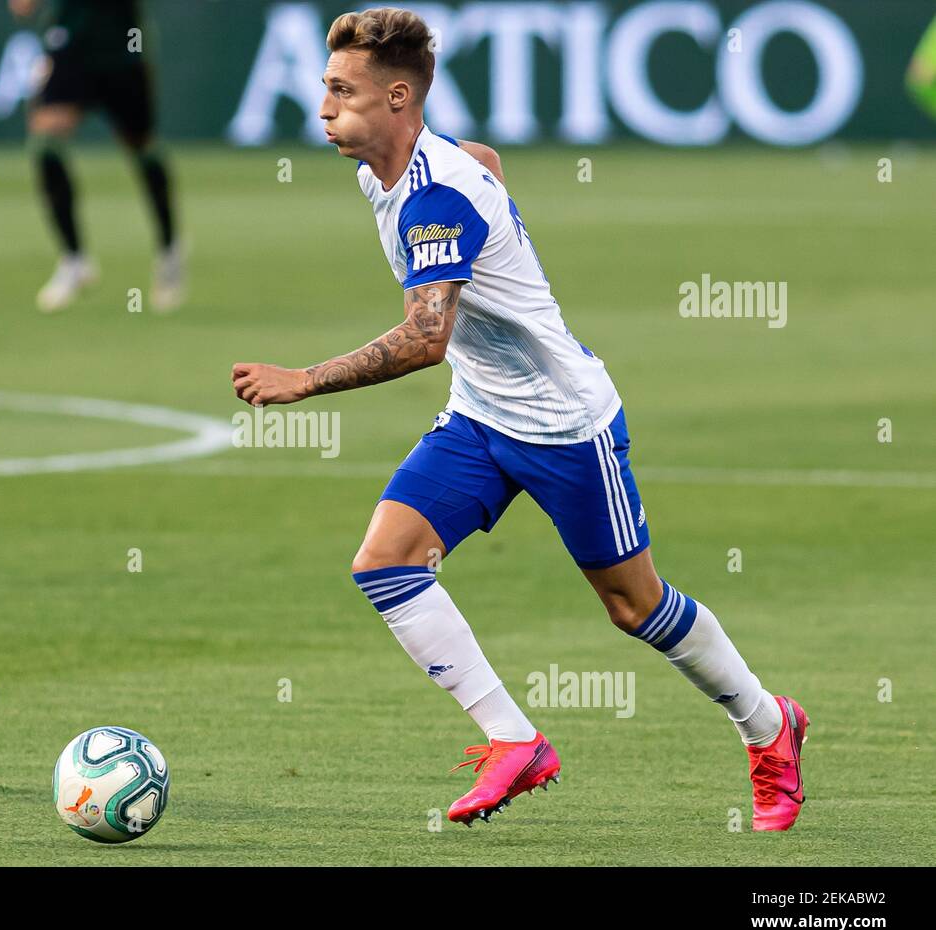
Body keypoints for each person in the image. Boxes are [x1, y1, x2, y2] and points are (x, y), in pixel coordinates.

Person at [231, 7, 808, 830]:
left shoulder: (436, 198)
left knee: (633, 608)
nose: (323, 107)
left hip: (567, 425)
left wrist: (304, 381)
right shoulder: (396, 170)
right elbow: (484, 159)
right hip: (481, 416)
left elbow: (427, 339)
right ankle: (514, 742)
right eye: (325, 87)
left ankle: (767, 724)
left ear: (398, 99)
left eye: (341, 92)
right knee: (386, 563)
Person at [11, 0, 183, 311]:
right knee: (45, 143)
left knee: (142, 150)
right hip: (69, 45)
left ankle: (169, 250)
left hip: (122, 49)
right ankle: (74, 259)